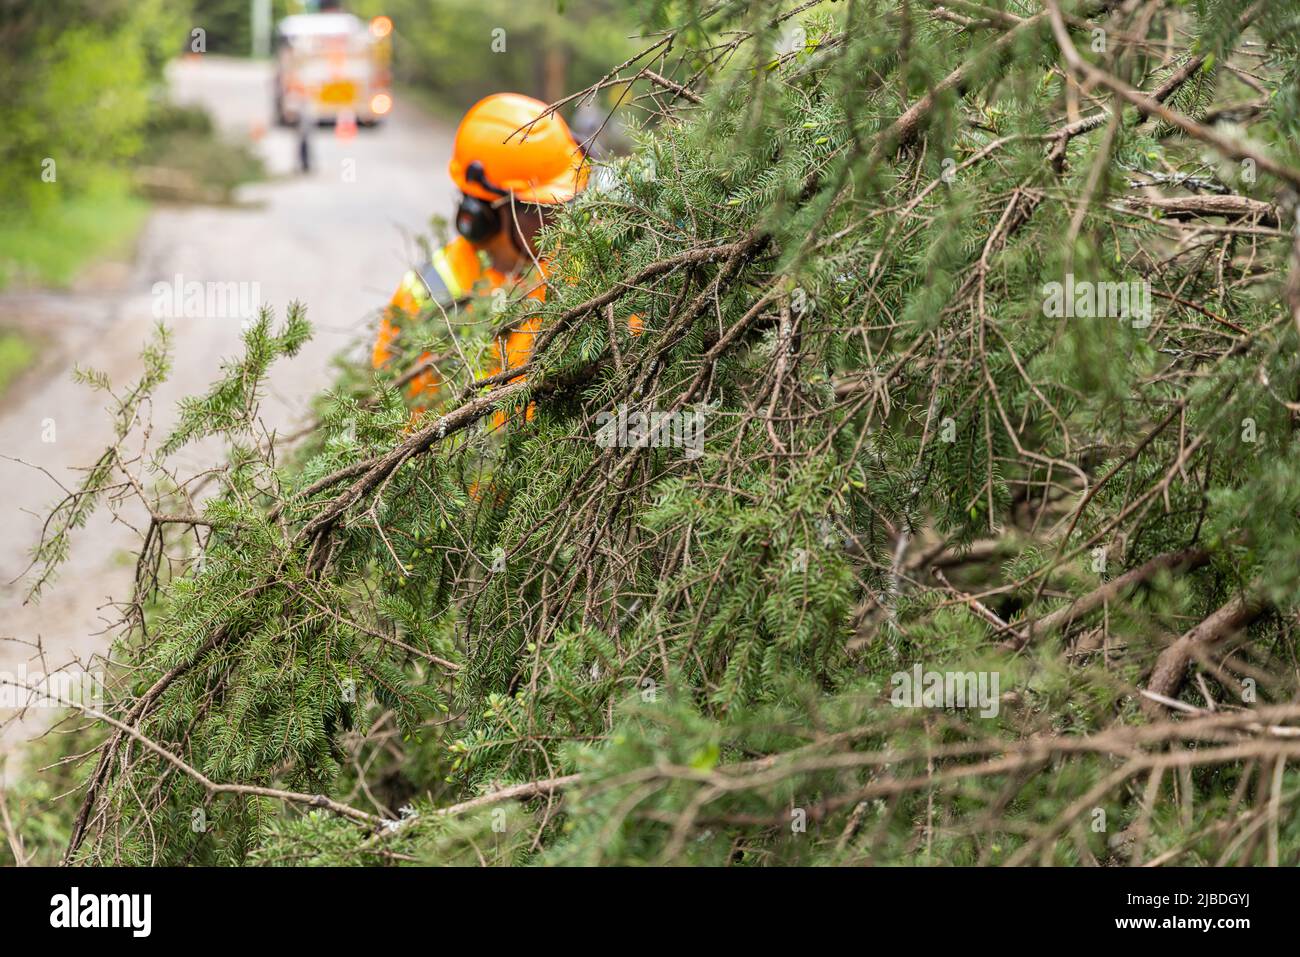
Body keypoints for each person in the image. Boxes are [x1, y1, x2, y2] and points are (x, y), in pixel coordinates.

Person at [372, 93, 593, 415]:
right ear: (482, 213)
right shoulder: (425, 295)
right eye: (541, 208)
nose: (558, 220)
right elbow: (393, 416)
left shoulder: (581, 273)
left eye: (563, 205)